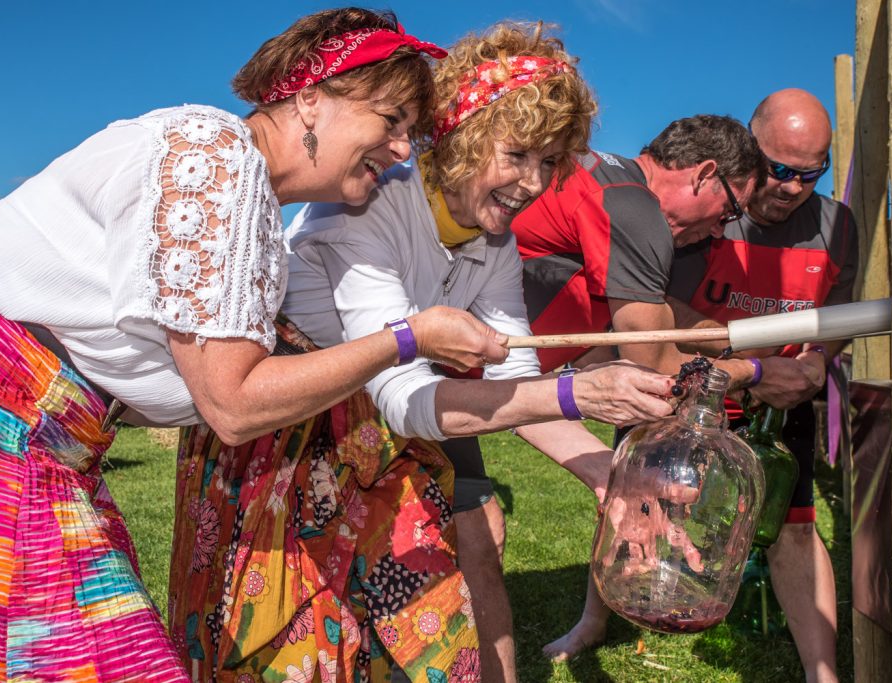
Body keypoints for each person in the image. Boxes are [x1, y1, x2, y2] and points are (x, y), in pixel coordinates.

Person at [0, 9, 509, 681]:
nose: (404, 150)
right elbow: (232, 402)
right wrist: (407, 337)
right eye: (392, 120)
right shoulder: (217, 157)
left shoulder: (252, 202)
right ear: (312, 97)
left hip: (31, 433)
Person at [168, 21, 678, 683]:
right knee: (281, 649)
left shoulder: (494, 244)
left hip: (373, 432)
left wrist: (610, 478)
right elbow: (407, 398)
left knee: (428, 625)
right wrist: (581, 389)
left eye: (550, 162)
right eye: (519, 153)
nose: (533, 182)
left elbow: (518, 387)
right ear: (463, 133)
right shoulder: (368, 205)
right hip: (277, 428)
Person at [444, 114, 767, 662]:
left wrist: (730, 340)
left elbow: (660, 317)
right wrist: (753, 373)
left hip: (475, 387)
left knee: (478, 533)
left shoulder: (615, 188)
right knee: (464, 535)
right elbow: (655, 361)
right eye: (730, 210)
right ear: (704, 173)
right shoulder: (634, 207)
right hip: (422, 377)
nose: (721, 230)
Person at [667, 88, 857, 683]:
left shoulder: (836, 225)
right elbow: (660, 316)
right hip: (690, 387)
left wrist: (817, 363)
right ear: (750, 149)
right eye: (778, 170)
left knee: (795, 528)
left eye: (810, 174)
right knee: (640, 502)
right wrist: (740, 370)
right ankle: (596, 620)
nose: (793, 188)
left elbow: (842, 315)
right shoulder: (708, 212)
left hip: (784, 401)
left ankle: (821, 673)